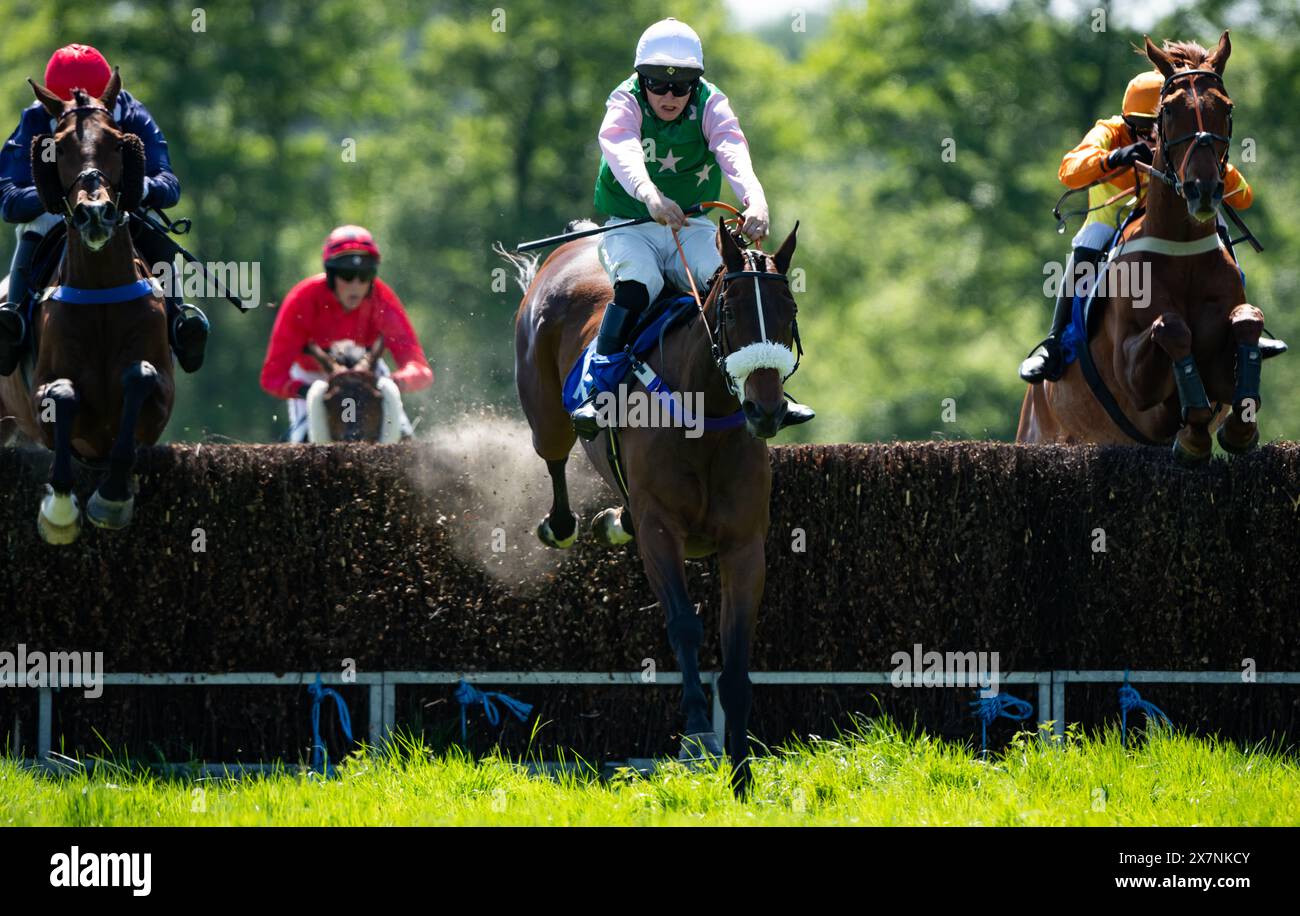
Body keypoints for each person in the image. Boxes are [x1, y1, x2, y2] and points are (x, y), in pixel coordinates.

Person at [569, 17, 813, 439]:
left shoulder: (711, 102)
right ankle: (597, 391)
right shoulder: (624, 101)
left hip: (691, 226)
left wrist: (756, 199)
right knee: (638, 283)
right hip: (631, 225)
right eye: (658, 84)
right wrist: (650, 196)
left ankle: (767, 389)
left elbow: (732, 149)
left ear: (694, 84)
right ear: (641, 78)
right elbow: (622, 149)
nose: (669, 95)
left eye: (681, 86)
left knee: (732, 283)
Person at [1019, 69, 1278, 383]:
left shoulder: (1181, 138)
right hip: (1112, 217)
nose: (1149, 136)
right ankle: (1055, 342)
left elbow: (1244, 197)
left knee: (1217, 229)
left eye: (1155, 127)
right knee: (1089, 242)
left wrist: (1217, 170)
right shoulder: (1109, 130)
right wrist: (1115, 157)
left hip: (1172, 223)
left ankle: (1244, 328)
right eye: (1139, 128)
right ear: (1126, 121)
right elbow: (1068, 170)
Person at [0, 43, 208, 377]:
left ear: (109, 98)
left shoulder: (131, 113)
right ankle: (13, 320)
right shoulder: (37, 118)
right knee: (35, 226)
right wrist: (54, 195)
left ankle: (180, 317)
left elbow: (168, 183)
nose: (85, 110)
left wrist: (135, 189)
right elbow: (9, 199)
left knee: (152, 222)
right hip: (61, 209)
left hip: (119, 206)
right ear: (53, 102)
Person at [259, 225, 432, 442]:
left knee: (407, 443)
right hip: (315, 379)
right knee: (300, 450)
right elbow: (272, 377)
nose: (356, 285)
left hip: (371, 380)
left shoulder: (383, 300)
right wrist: (310, 391)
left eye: (365, 275)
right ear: (331, 275)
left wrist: (391, 383)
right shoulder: (301, 301)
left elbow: (420, 369)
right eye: (347, 275)